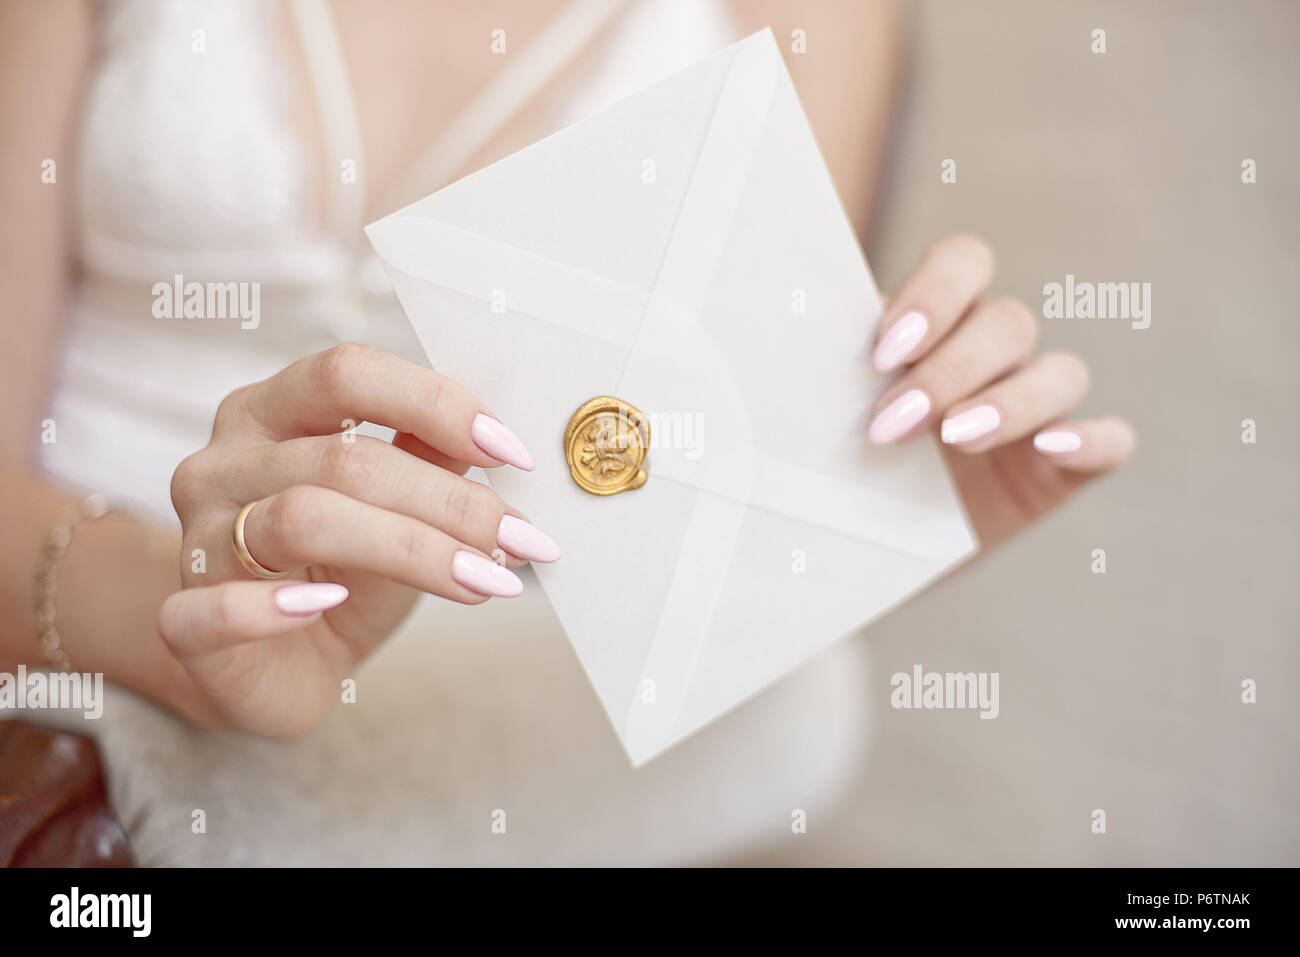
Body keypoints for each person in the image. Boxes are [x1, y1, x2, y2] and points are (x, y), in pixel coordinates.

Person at [0, 0, 1134, 864]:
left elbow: (708, 516)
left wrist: (869, 513)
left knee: (799, 702)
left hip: (528, 651)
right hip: (84, 582)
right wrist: (174, 618)